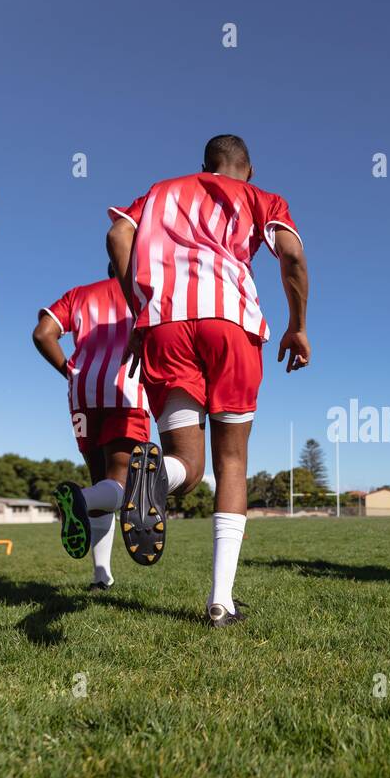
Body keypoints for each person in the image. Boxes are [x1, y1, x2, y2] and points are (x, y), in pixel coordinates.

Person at [105, 134, 310, 626]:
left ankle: (156, 478)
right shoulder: (264, 199)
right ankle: (220, 602)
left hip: (166, 325)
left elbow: (118, 236)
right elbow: (293, 256)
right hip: (231, 325)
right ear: (249, 169)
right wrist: (298, 326)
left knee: (188, 466)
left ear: (204, 165)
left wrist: (139, 308)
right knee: (232, 461)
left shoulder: (160, 190)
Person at [32, 268, 151, 589]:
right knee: (121, 485)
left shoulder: (79, 294)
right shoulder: (146, 291)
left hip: (82, 392)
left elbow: (43, 333)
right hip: (125, 388)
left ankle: (101, 576)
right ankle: (79, 499)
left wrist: (70, 372)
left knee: (103, 485)